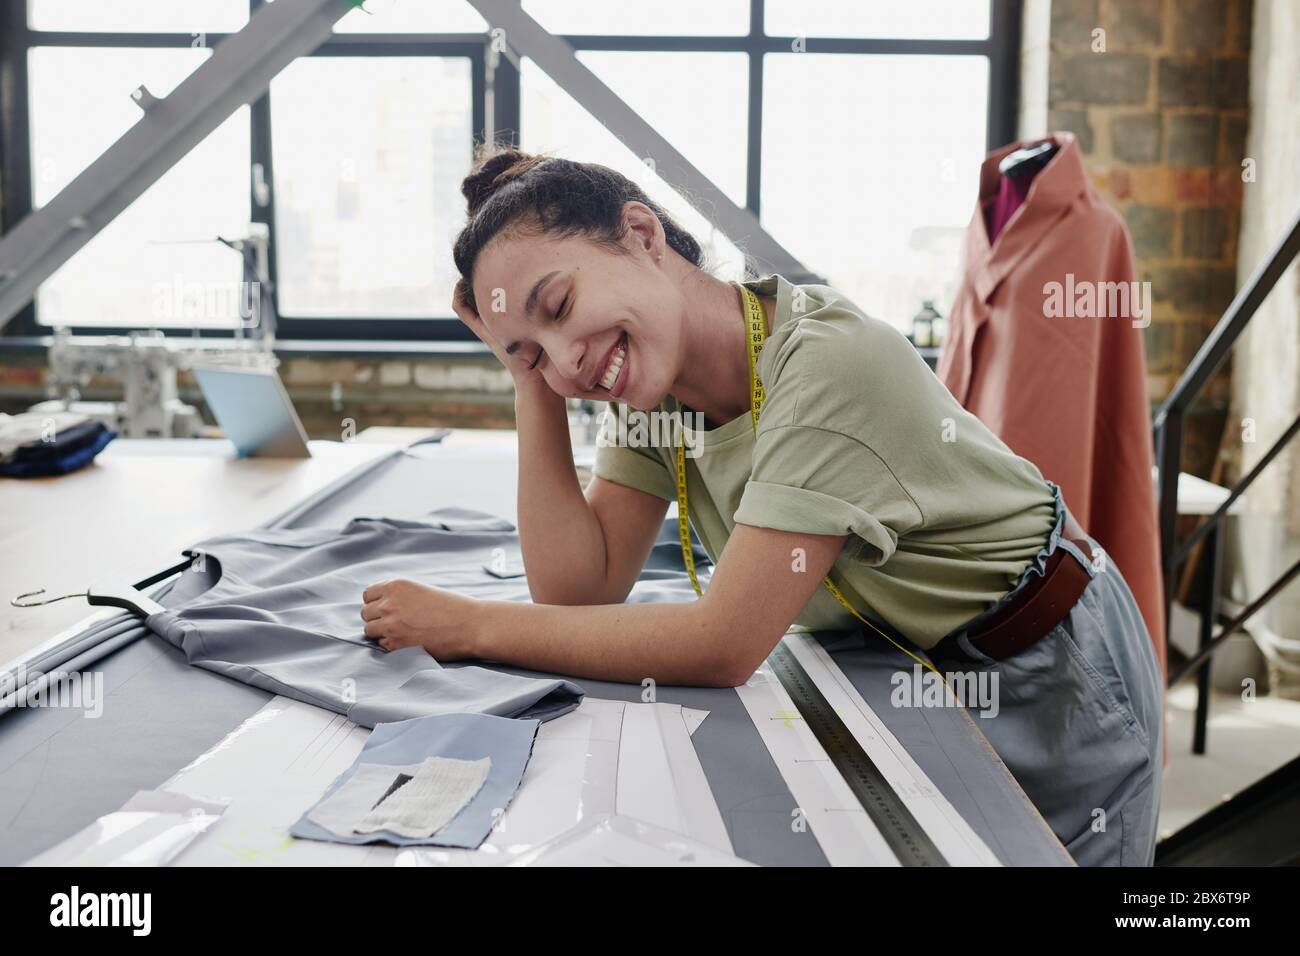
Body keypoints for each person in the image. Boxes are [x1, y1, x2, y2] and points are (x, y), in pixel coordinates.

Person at [361, 146, 1164, 866]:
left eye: (561, 304)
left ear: (641, 234)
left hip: (1051, 661)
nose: (568, 363)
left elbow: (723, 644)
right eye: (535, 352)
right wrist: (525, 374)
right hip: (914, 667)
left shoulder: (827, 366)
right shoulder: (650, 387)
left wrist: (464, 626)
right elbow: (578, 591)